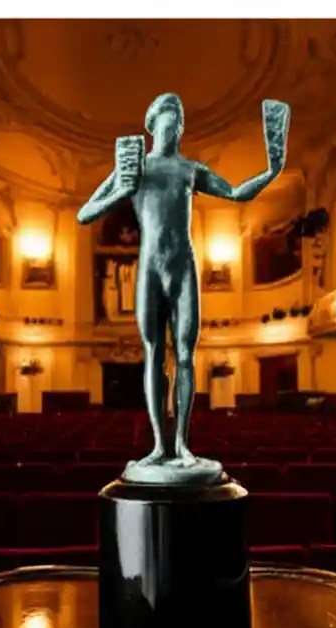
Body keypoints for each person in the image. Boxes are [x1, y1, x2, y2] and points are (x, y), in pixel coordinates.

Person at [77, 93, 286, 471]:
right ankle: (160, 446)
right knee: (154, 354)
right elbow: (84, 214)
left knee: (187, 354)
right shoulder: (134, 166)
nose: (176, 126)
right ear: (153, 124)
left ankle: (183, 445)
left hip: (183, 265)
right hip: (150, 268)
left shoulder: (191, 169)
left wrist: (271, 172)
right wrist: (122, 191)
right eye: (170, 119)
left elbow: (236, 192)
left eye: (180, 121)